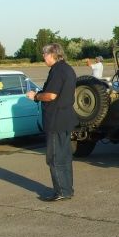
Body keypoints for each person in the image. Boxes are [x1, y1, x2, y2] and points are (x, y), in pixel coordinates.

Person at [27, 43, 77, 201]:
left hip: (56, 120)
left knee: (55, 157)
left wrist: (35, 96)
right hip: (66, 119)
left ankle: (61, 191)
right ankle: (67, 189)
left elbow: (51, 95)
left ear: (53, 54)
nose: (43, 56)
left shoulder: (57, 70)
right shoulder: (68, 69)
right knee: (65, 157)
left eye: (45, 54)